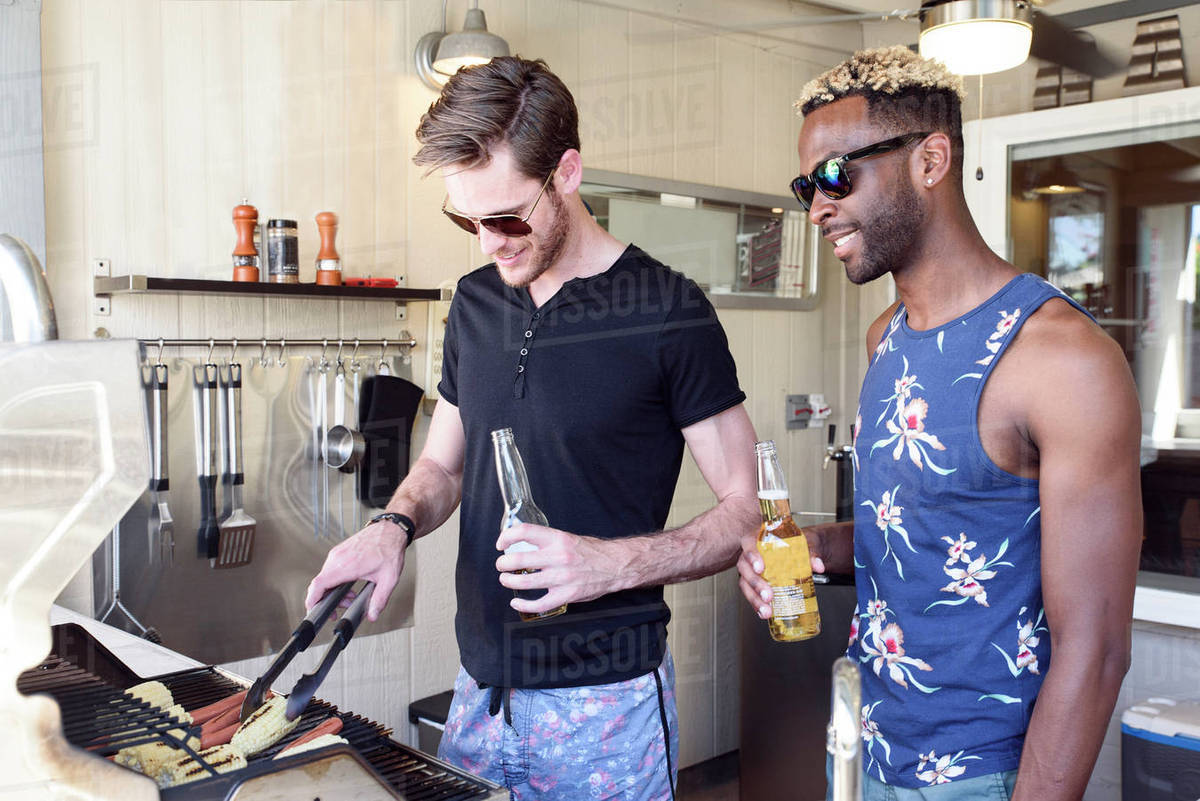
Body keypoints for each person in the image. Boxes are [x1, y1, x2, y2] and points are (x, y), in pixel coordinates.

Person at [307, 56, 760, 801]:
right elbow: (444, 467)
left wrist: (607, 565)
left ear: (568, 173)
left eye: (507, 217)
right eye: (467, 220)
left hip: (607, 709)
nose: (488, 242)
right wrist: (392, 526)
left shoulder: (668, 310)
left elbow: (748, 510)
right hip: (480, 696)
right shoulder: (474, 304)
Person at [737, 46, 1142, 801]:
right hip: (866, 751)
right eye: (806, 186)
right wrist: (816, 550)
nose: (817, 206)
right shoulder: (884, 338)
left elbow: (1096, 652)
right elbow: (919, 528)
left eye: (836, 174)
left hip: (985, 775)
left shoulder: (1063, 360)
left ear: (930, 160)